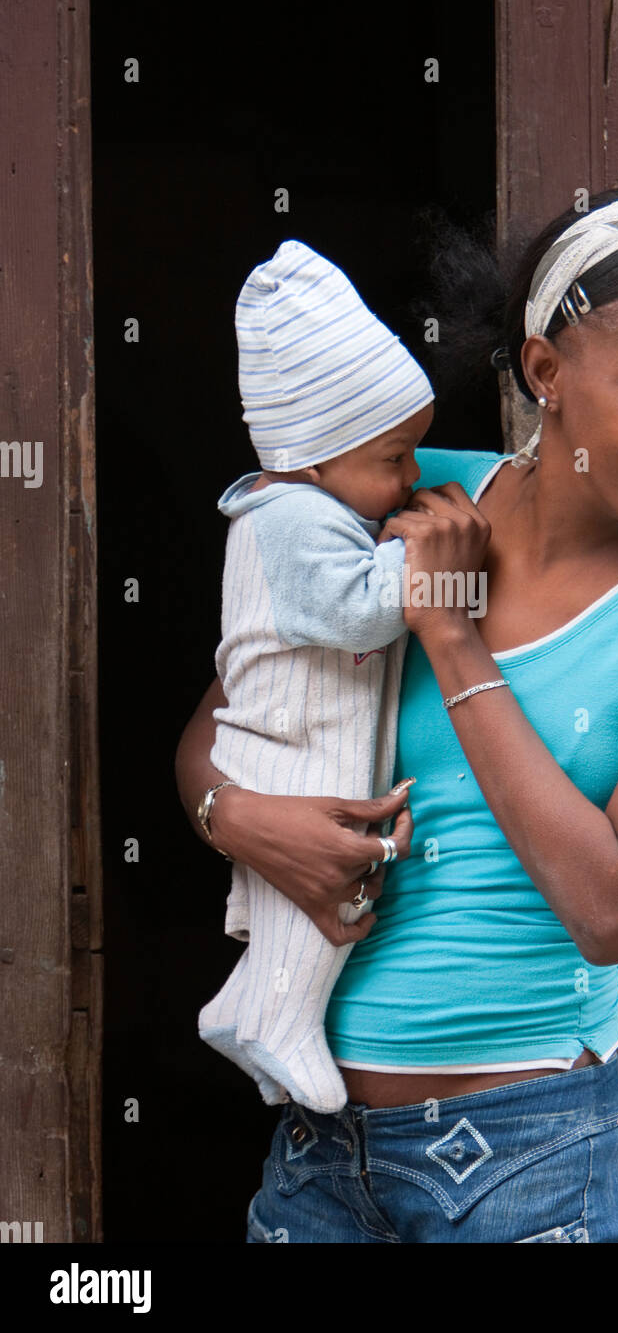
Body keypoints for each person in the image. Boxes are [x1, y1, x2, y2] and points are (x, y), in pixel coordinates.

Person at [176, 189, 618, 1244]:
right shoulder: (407, 499)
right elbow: (226, 715)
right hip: (317, 1155)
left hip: (531, 1162)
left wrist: (453, 636)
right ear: (544, 371)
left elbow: (614, 910)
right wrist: (235, 818)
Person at [196, 238, 434, 1114]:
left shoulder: (298, 502)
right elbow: (356, 615)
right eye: (395, 459)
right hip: (294, 752)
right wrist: (424, 557)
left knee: (307, 906)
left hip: (281, 748)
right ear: (314, 454)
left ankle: (243, 1007)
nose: (412, 477)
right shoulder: (294, 515)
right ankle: (281, 1022)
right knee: (329, 898)